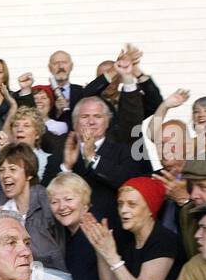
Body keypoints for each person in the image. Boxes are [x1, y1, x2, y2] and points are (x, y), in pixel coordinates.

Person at [45, 95, 151, 227]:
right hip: (69, 237)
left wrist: (93, 157)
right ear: (74, 123)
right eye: (85, 117)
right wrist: (66, 167)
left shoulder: (124, 152)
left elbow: (128, 183)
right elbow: (46, 195)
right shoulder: (58, 156)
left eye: (97, 116)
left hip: (112, 231)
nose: (91, 122)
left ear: (107, 122)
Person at [0, 142, 65, 271]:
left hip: (51, 277)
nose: (5, 175)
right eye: (1, 170)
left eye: (12, 169)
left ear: (29, 174)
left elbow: (41, 251)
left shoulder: (45, 200)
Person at [42, 173, 100, 280]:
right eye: (54, 202)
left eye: (68, 199)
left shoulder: (88, 233)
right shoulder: (71, 232)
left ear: (84, 201)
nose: (62, 207)